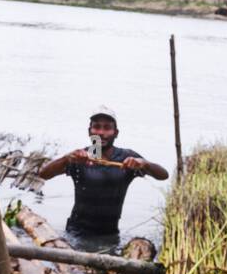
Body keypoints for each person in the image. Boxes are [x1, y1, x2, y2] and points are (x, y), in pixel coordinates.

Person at [39, 107, 169, 249]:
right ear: (90, 131)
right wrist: (66, 159)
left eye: (107, 128)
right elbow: (44, 174)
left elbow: (163, 175)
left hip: (110, 235)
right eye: (97, 127)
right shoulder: (79, 157)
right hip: (76, 234)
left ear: (116, 133)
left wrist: (144, 164)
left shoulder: (127, 158)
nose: (101, 133)